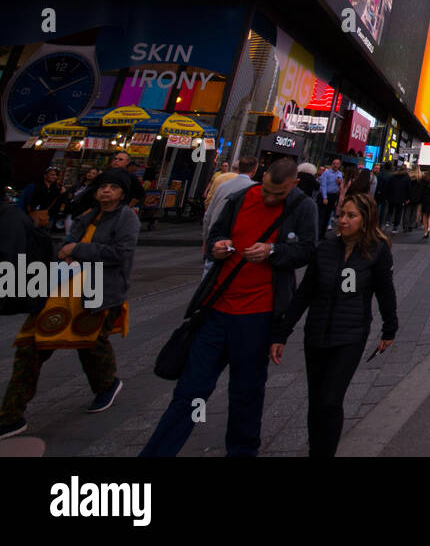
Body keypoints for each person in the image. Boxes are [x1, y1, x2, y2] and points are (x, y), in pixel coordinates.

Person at [140, 158, 316, 457]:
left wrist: (273, 250)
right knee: (190, 391)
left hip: (258, 315)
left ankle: (242, 451)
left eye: (279, 194)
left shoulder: (302, 207)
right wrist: (219, 245)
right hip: (217, 309)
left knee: (245, 393)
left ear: (294, 184)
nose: (270, 198)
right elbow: (214, 237)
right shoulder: (239, 198)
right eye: (267, 191)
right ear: (261, 176)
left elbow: (307, 250)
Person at [1, 168, 138, 439]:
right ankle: (11, 415)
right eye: (102, 186)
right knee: (32, 344)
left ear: (123, 193)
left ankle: (107, 384)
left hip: (99, 290)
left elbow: (120, 253)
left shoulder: (126, 219)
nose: (105, 191)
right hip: (63, 289)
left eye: (112, 187)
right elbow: (66, 245)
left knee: (90, 343)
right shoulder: (86, 217)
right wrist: (66, 253)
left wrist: (77, 250)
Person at [271, 193, 397, 457]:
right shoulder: (325, 248)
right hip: (316, 332)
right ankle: (316, 450)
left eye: (351, 216)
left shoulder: (377, 250)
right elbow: (305, 292)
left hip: (350, 334)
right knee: (316, 401)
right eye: (341, 215)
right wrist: (282, 332)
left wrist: (389, 328)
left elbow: (385, 291)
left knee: (330, 400)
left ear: (366, 219)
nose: (343, 220)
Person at [203, 157, 259, 258]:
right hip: (235, 242)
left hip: (215, 239)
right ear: (254, 170)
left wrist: (206, 239)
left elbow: (208, 214)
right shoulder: (255, 189)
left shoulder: (222, 185)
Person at [19, 166, 69, 231]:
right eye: (52, 174)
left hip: (47, 218)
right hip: (31, 215)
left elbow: (59, 203)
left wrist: (63, 194)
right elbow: (23, 200)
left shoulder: (57, 189)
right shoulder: (33, 186)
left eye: (56, 175)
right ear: (45, 175)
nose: (54, 177)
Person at [318, 158, 343, 235]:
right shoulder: (326, 173)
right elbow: (323, 185)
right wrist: (324, 197)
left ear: (339, 165)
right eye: (334, 163)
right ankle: (317, 232)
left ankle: (322, 233)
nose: (335, 165)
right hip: (325, 195)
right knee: (322, 215)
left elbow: (340, 186)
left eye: (337, 164)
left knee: (328, 215)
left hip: (333, 196)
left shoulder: (340, 174)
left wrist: (340, 183)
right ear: (332, 164)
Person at [384, 164, 410, 231]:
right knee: (398, 212)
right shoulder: (407, 177)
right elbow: (408, 189)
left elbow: (388, 186)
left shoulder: (393, 176)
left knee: (390, 210)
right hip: (401, 197)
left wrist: (387, 195)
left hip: (392, 196)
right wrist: (407, 198)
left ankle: (387, 221)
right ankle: (395, 226)